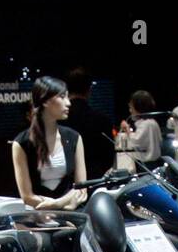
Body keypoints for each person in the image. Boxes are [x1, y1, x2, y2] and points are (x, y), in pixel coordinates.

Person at [11, 75, 88, 210]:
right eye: (62, 97)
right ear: (45, 101)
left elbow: (82, 188)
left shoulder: (74, 137)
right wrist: (57, 205)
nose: (68, 103)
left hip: (72, 213)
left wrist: (58, 204)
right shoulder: (21, 144)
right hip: (38, 216)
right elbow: (27, 196)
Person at [65, 68, 115, 177]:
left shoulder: (57, 121)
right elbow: (109, 157)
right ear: (89, 90)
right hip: (94, 180)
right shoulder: (102, 120)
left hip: (64, 182)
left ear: (66, 90)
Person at [115, 90, 161, 172]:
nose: (130, 111)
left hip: (146, 165)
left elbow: (136, 142)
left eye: (131, 107)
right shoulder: (152, 122)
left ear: (139, 107)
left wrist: (127, 129)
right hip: (152, 163)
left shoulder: (146, 124)